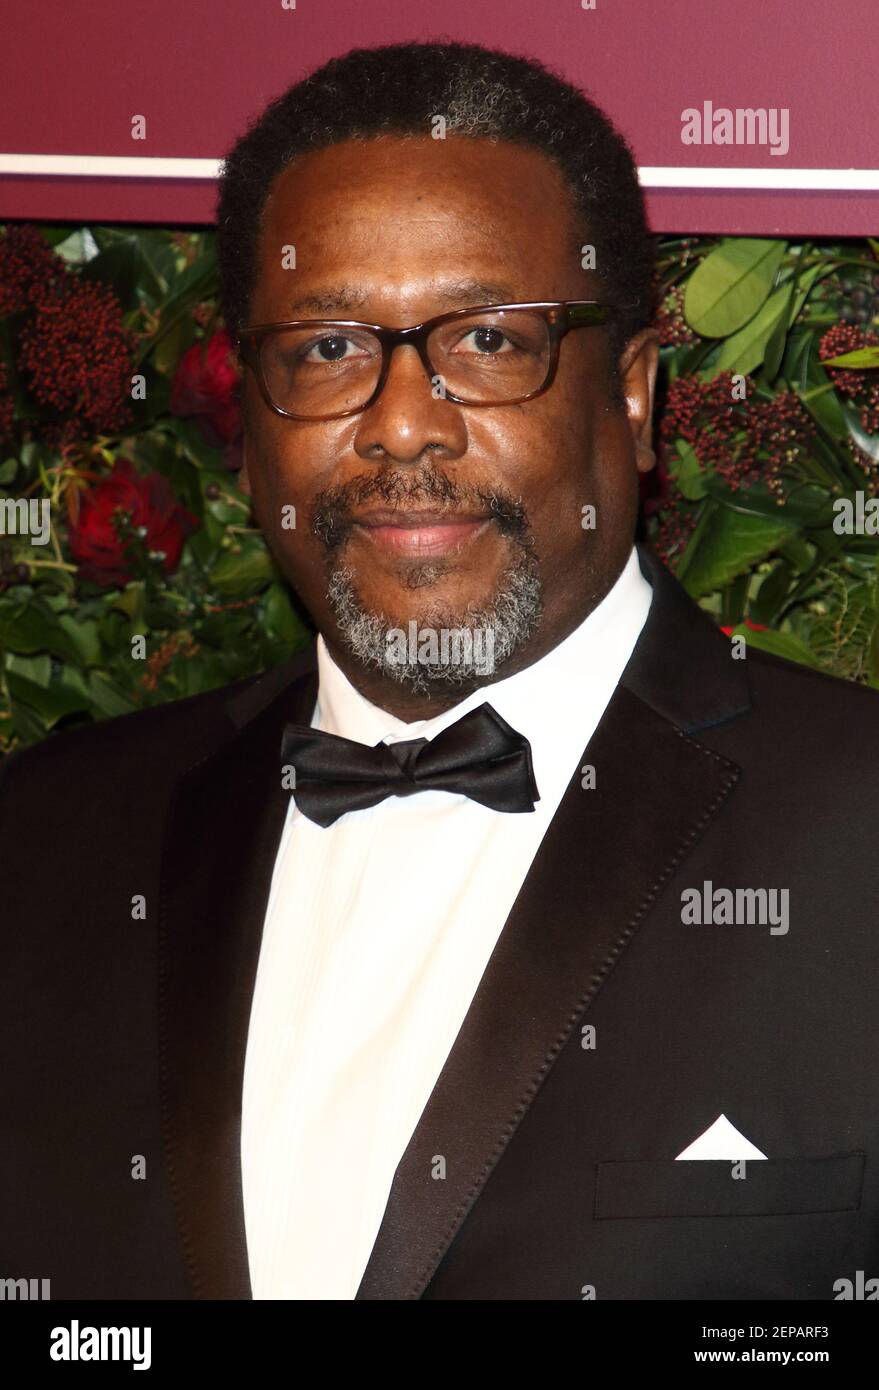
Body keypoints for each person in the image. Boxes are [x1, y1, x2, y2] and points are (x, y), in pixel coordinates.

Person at [1, 41, 877, 1302]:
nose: (403, 421)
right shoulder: (46, 839)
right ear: (246, 430)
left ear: (634, 402)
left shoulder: (862, 835)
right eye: (325, 351)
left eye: (486, 337)